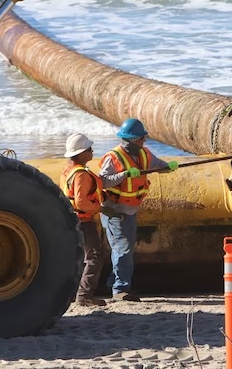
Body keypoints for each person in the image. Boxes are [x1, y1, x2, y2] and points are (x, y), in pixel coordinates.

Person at [98, 118, 178, 301]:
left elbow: (158, 165)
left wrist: (168, 167)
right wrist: (124, 175)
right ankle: (120, 290)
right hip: (114, 212)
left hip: (130, 211)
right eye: (142, 138)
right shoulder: (113, 158)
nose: (145, 140)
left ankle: (115, 282)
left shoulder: (144, 154)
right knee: (122, 249)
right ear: (132, 140)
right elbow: (102, 181)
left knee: (125, 250)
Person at [61, 133, 106, 307]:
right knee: (95, 254)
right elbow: (81, 201)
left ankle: (74, 293)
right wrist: (99, 208)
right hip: (83, 220)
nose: (92, 151)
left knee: (79, 256)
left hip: (71, 220)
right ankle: (85, 294)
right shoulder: (81, 175)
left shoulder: (68, 170)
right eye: (88, 149)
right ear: (80, 154)